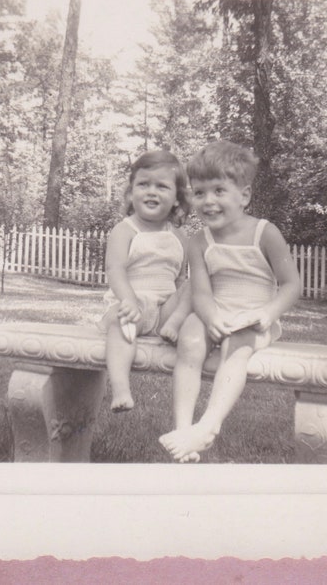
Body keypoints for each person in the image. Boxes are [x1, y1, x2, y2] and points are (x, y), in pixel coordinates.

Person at [159, 141, 301, 462]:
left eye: (219, 191)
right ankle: (184, 429)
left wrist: (267, 313)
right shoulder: (199, 242)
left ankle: (208, 426)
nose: (208, 201)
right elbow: (202, 293)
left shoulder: (265, 233)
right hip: (215, 312)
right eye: (200, 192)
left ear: (245, 196)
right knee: (190, 339)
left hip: (252, 317)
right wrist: (209, 318)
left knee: (236, 346)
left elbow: (291, 285)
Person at [101, 150, 191, 412]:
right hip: (131, 306)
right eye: (143, 184)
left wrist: (179, 311)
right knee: (121, 324)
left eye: (161, 186)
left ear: (177, 199)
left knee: (193, 286)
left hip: (165, 312)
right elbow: (115, 268)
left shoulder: (180, 236)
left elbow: (181, 278)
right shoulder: (125, 230)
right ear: (131, 193)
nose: (151, 191)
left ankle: (182, 331)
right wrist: (128, 300)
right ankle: (120, 389)